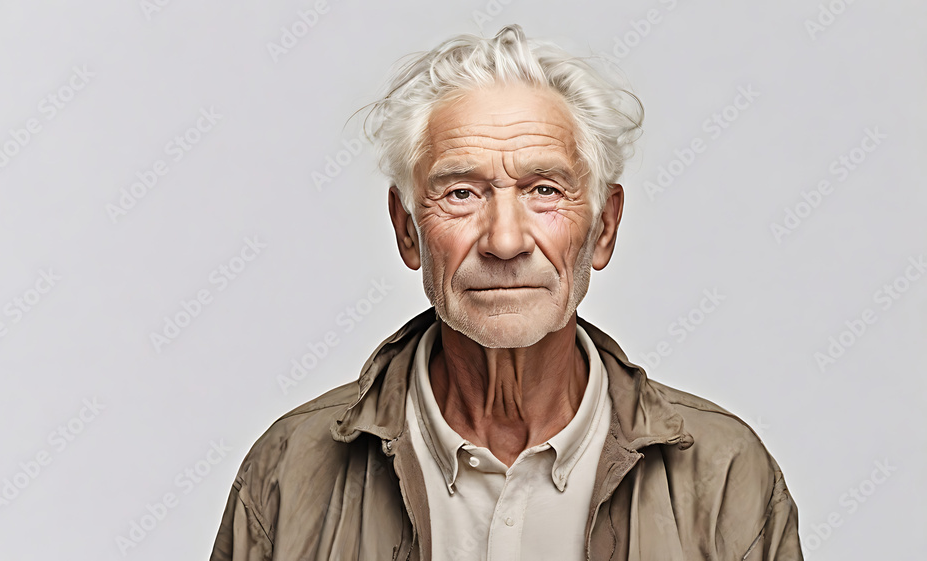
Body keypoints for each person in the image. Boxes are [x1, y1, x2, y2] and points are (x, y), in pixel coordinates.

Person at [209, 24, 803, 561]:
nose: (505, 239)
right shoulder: (286, 474)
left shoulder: (727, 478)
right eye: (462, 193)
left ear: (604, 228)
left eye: (544, 190)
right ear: (407, 230)